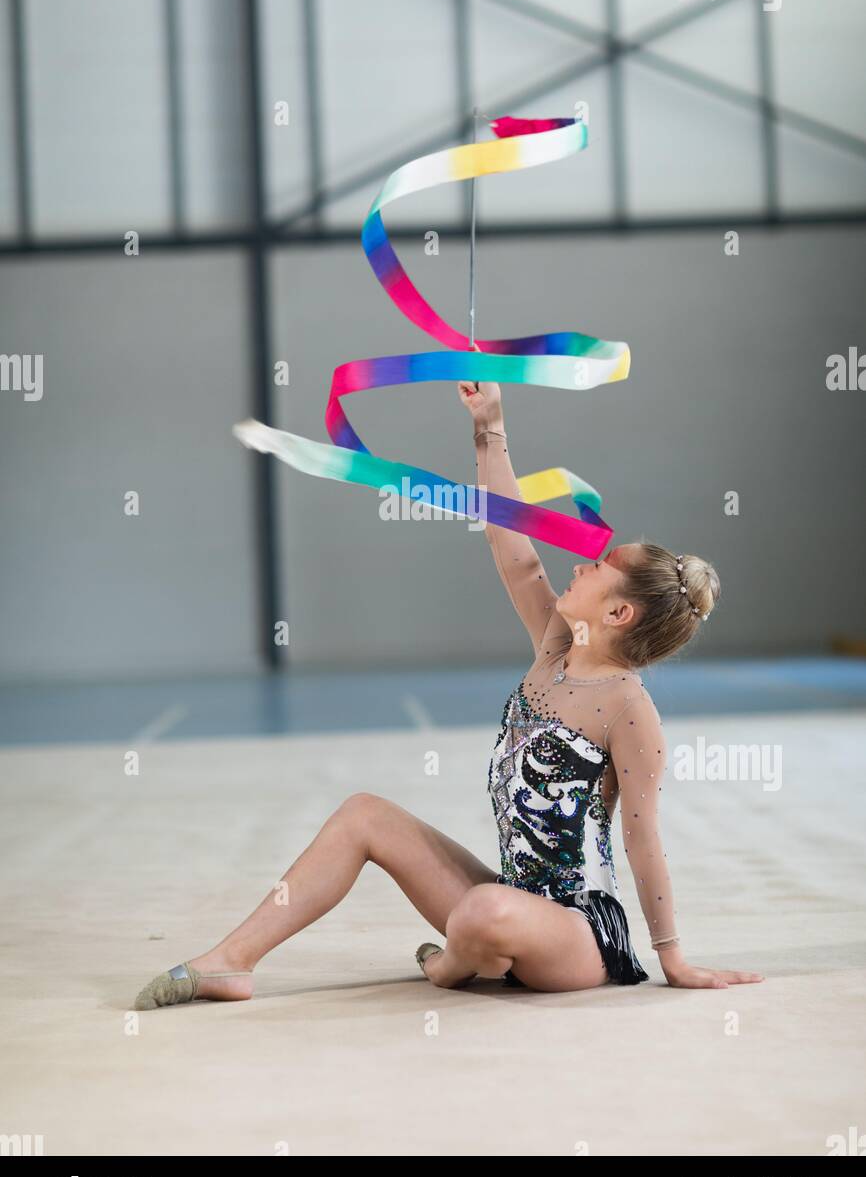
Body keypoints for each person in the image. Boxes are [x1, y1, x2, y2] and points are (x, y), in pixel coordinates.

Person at [133, 377, 763, 1010]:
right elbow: (511, 547)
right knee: (365, 814)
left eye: (595, 567)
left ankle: (452, 966)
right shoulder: (554, 649)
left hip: (575, 934)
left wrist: (672, 957)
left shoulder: (629, 708)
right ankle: (231, 962)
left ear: (620, 613)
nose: (577, 564)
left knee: (484, 910)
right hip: (509, 898)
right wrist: (489, 425)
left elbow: (642, 837)